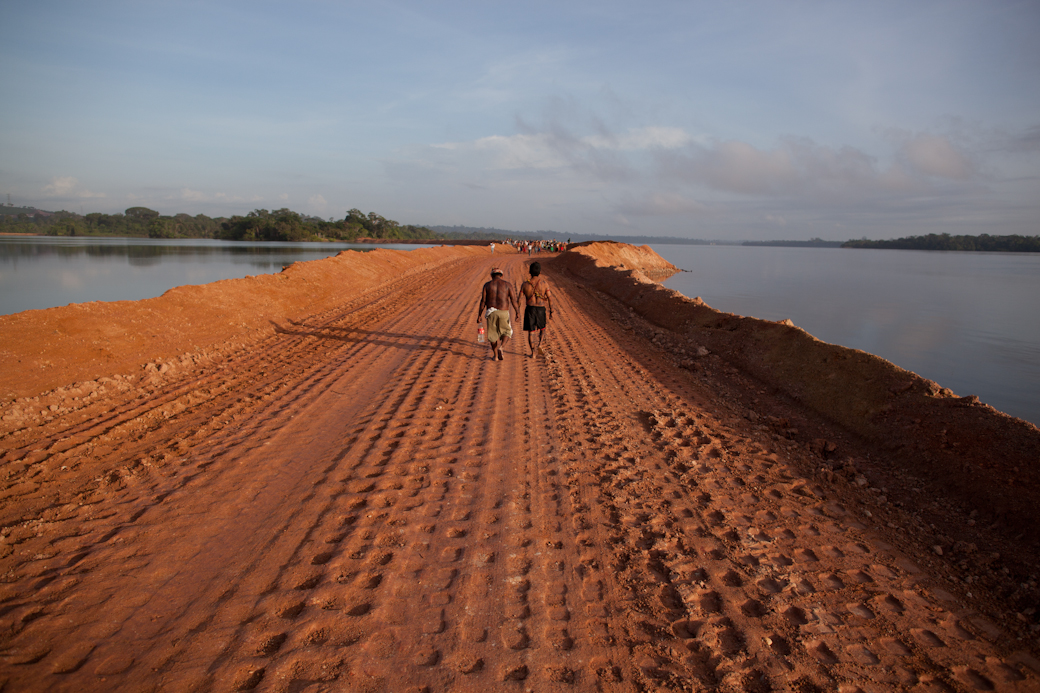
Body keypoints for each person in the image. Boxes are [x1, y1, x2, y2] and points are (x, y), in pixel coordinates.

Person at [477, 267, 519, 361]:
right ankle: (502, 347)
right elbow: (513, 300)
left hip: (491, 312)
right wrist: (517, 312)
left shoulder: (487, 285)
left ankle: (495, 356)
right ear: (502, 275)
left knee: (492, 335)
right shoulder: (507, 285)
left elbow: (483, 301)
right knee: (507, 332)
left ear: (491, 276)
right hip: (504, 312)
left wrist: (479, 315)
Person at [520, 261, 553, 357]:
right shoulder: (544, 284)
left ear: (530, 271)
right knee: (542, 329)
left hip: (530, 309)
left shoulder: (525, 284)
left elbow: (519, 299)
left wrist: (517, 312)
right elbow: (550, 298)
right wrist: (551, 311)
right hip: (541, 309)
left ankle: (533, 353)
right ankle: (540, 345)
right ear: (540, 271)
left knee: (531, 332)